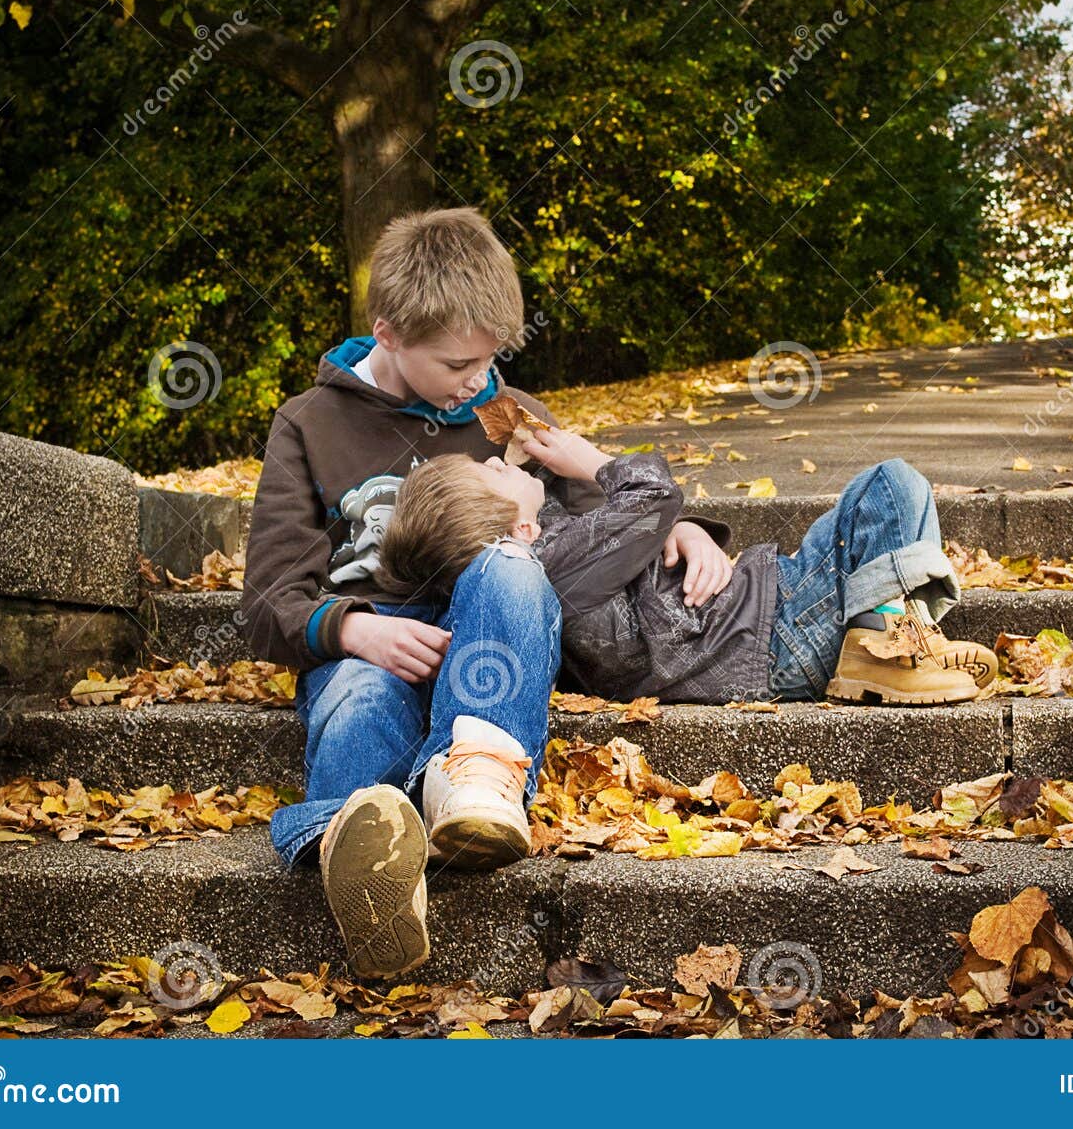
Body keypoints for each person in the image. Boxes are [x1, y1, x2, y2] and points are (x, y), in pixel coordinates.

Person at [240, 206, 734, 979]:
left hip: (495, 631)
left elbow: (604, 512)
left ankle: (478, 780)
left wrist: (685, 528)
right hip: (374, 642)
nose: (478, 380)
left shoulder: (505, 410)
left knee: (510, 565)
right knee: (359, 703)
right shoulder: (309, 424)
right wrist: (353, 629)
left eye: (491, 357)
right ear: (388, 333)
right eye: (457, 364)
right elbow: (269, 598)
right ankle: (358, 853)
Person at [373, 427, 996, 711]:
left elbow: (641, 527)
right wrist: (591, 460)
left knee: (868, 512)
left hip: (761, 627)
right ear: (518, 532)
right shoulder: (550, 563)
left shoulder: (548, 563)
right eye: (489, 473)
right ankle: (888, 641)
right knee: (890, 485)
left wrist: (686, 530)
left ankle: (894, 636)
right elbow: (651, 499)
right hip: (771, 634)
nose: (497, 462)